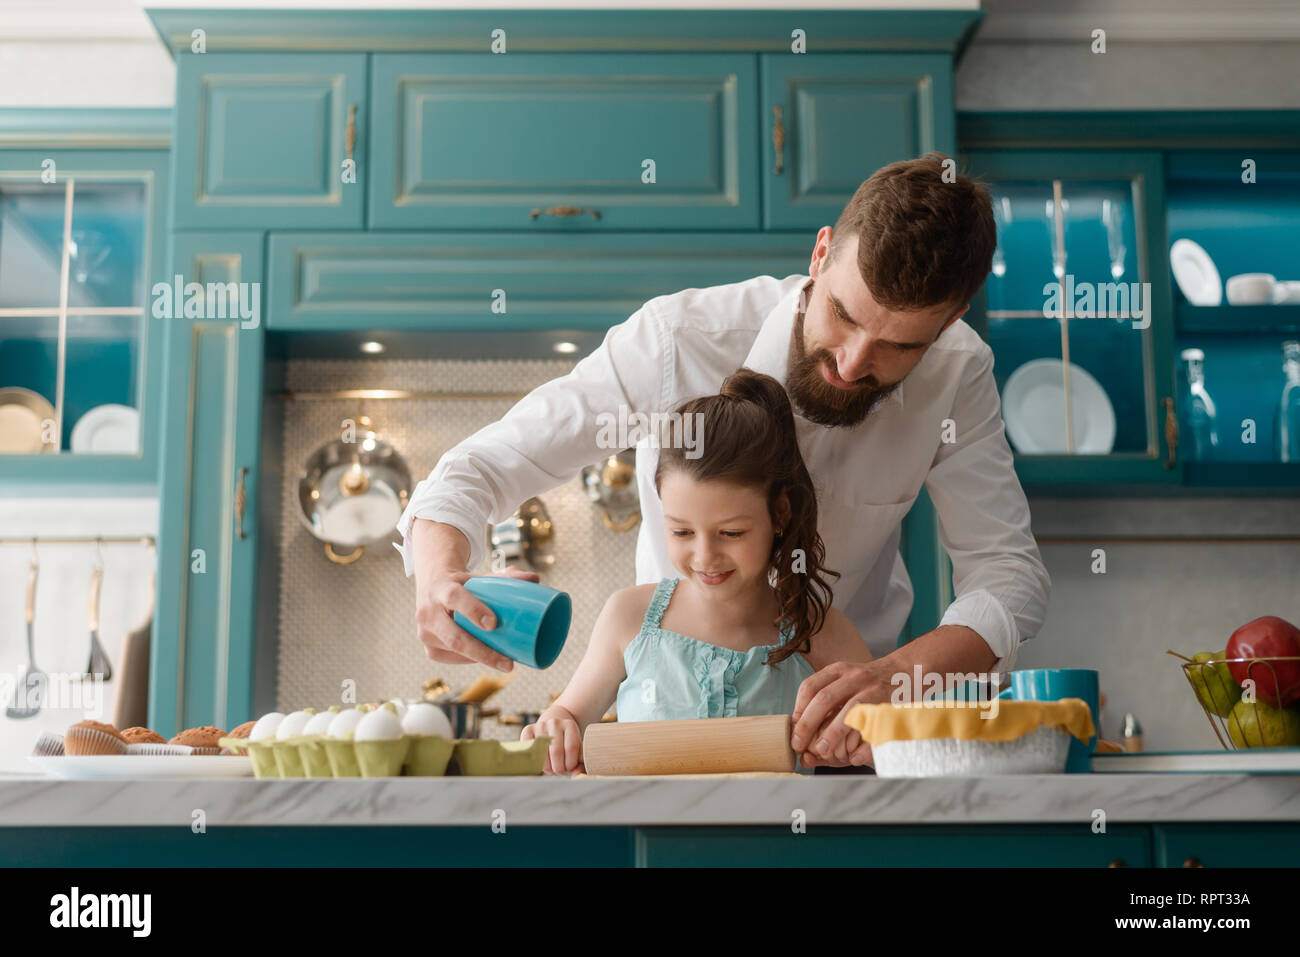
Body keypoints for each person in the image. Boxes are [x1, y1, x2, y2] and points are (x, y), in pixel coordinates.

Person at [396, 152, 1051, 770]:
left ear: (951, 321)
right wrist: (438, 576)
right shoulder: (676, 342)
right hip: (659, 757)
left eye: (898, 346)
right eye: (843, 315)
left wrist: (894, 677)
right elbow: (482, 467)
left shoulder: (958, 372)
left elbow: (1008, 573)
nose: (853, 362)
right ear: (820, 254)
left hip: (834, 745)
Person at [518, 368, 872, 774]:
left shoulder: (822, 632)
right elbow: (568, 717)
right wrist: (556, 728)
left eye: (731, 532)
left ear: (779, 514)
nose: (705, 556)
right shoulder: (628, 616)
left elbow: (896, 744)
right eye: (681, 531)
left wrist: (859, 739)